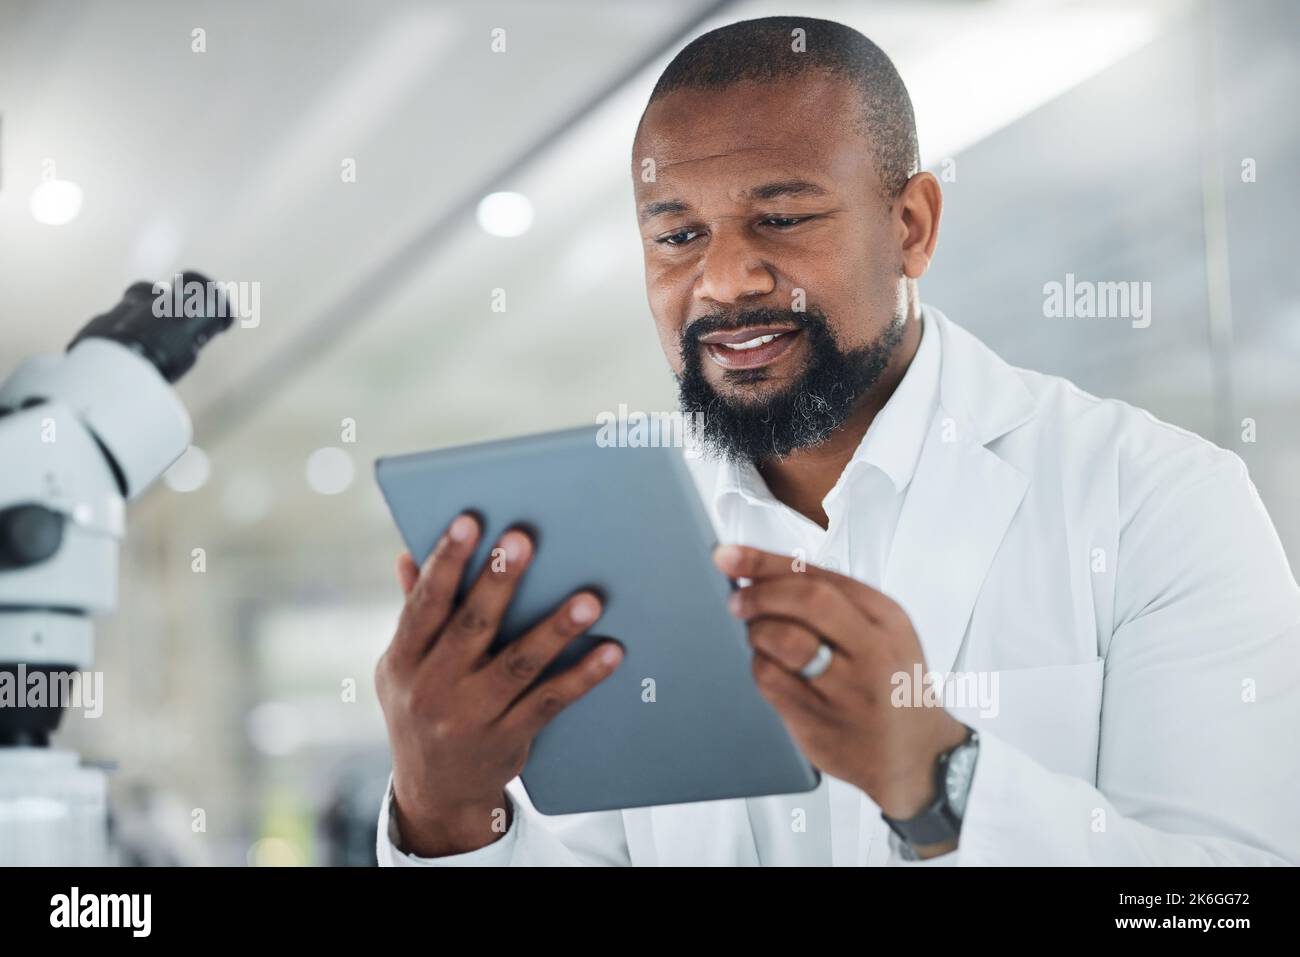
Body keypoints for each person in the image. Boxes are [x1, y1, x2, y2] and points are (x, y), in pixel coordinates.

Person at [373, 16, 1300, 866]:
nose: (725, 277)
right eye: (678, 233)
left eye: (781, 217)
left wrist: (943, 778)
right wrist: (448, 815)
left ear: (912, 226)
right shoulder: (610, 536)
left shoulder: (1156, 501)